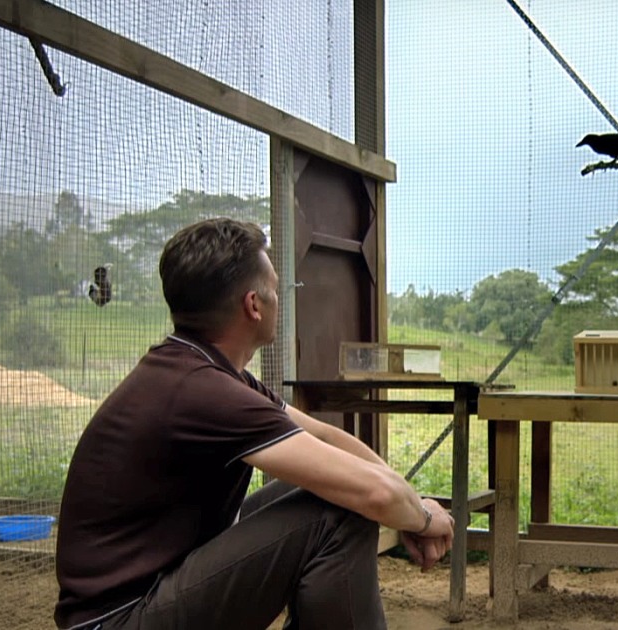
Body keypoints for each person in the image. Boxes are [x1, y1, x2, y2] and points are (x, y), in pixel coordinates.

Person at [54, 218, 454, 630]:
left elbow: (327, 438)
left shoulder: (203, 371)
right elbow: (371, 492)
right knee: (341, 512)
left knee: (336, 489)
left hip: (149, 595)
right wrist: (425, 519)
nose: (280, 299)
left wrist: (412, 498)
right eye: (276, 289)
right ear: (254, 305)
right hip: (118, 621)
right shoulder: (203, 389)